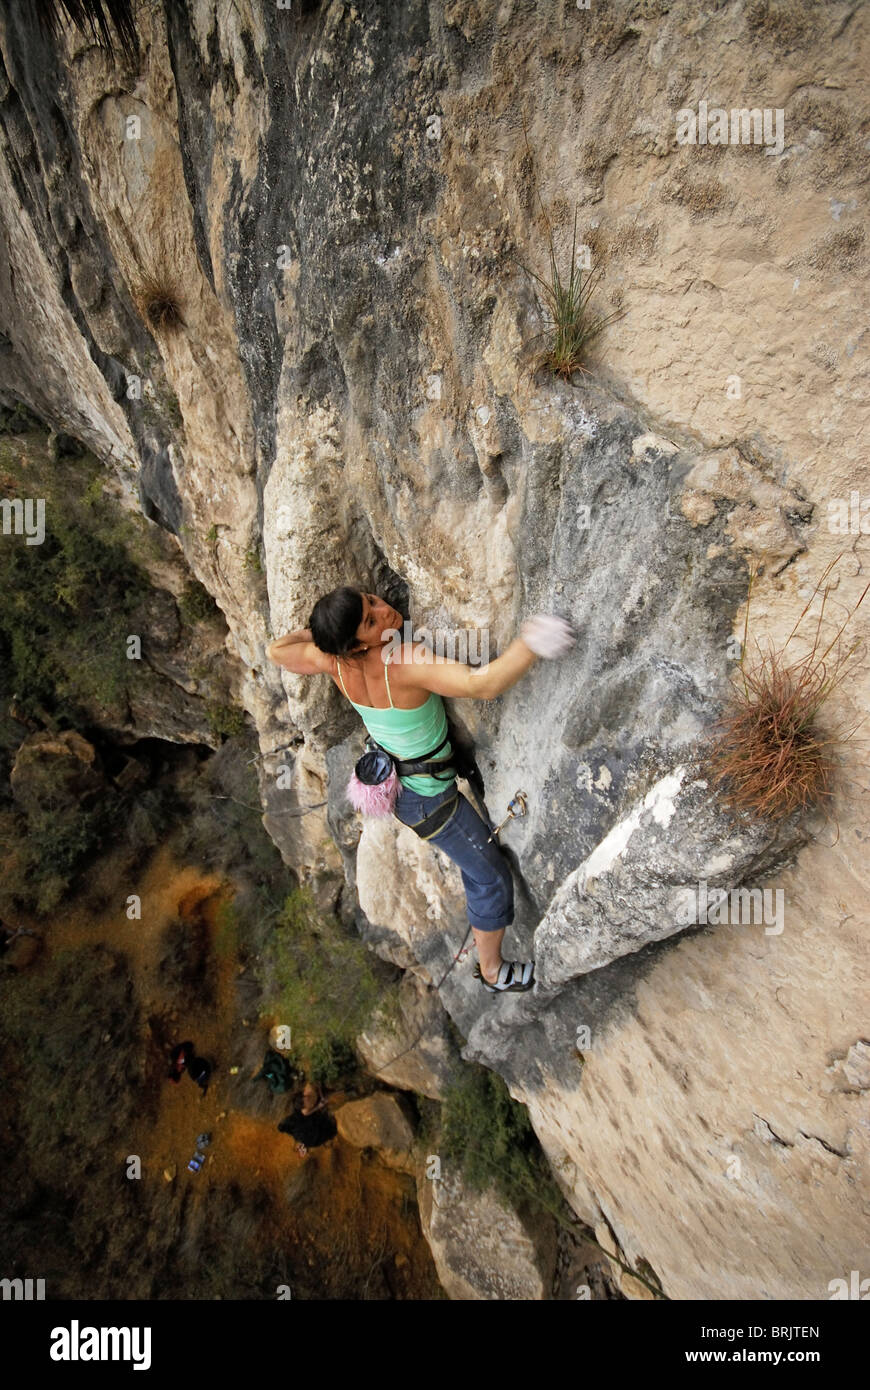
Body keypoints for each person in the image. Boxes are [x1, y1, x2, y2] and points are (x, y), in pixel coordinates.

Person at [267, 587, 574, 993]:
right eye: (371, 621)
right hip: (428, 800)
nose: (385, 611)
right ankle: (493, 972)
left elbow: (276, 650)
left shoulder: (334, 663)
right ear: (357, 645)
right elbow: (482, 684)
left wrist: (325, 637)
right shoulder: (402, 663)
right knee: (489, 876)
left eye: (370, 600)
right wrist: (530, 642)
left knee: (476, 862)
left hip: (397, 779)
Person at [278, 1082, 337, 1157]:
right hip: (315, 1133)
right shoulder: (299, 1118)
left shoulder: (297, 1128)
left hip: (314, 1137)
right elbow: (314, 1111)